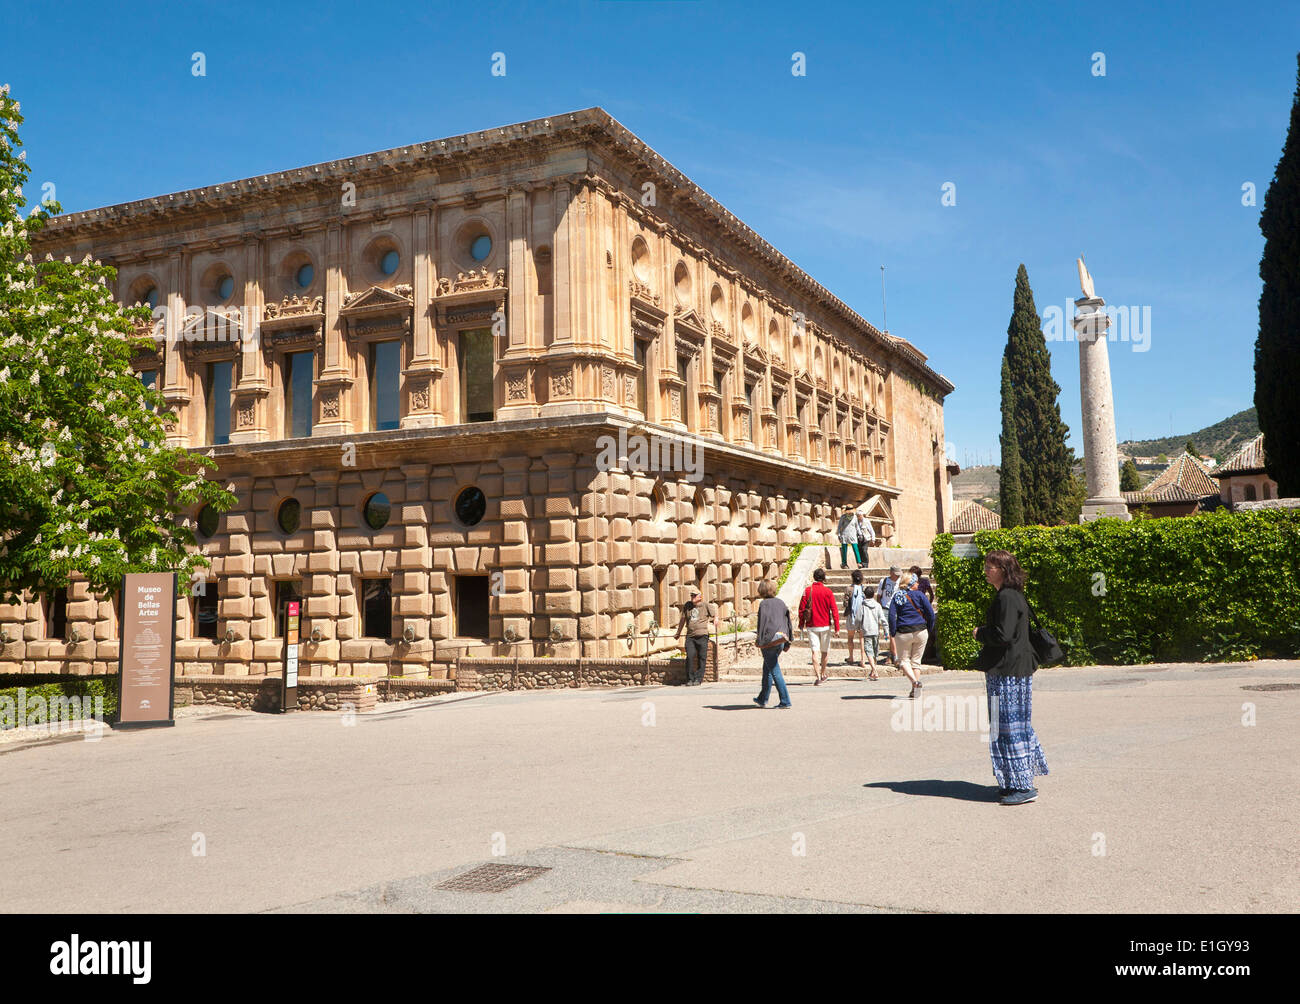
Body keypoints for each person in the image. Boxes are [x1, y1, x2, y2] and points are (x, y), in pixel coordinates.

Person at [972, 549, 1048, 805]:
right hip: (1013, 669)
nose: (986, 570)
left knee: (1009, 727)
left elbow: (1002, 635)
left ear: (1003, 570)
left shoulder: (1006, 597)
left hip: (1008, 672)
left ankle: (1023, 786)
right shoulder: (1013, 595)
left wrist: (979, 633)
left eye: (991, 566)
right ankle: (1013, 781)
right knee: (1009, 726)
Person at [888, 571, 934, 699]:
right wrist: (928, 629)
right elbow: (930, 613)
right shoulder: (920, 595)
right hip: (921, 631)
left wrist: (893, 631)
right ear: (911, 583)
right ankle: (915, 691)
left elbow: (892, 616)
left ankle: (915, 683)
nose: (918, 584)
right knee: (916, 662)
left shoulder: (897, 596)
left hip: (903, 631)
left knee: (904, 661)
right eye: (916, 582)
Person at [753, 579, 793, 708]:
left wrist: (759, 641)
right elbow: (788, 622)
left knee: (774, 670)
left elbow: (762, 624)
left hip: (769, 640)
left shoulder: (764, 604)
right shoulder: (781, 602)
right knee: (767, 669)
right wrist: (789, 641)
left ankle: (785, 700)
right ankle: (762, 698)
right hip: (780, 639)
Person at [798, 566, 840, 685]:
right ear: (824, 578)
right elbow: (834, 610)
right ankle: (823, 673)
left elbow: (801, 609)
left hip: (811, 625)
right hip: (825, 625)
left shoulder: (807, 591)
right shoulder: (828, 592)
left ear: (814, 577)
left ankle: (817, 677)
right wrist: (837, 627)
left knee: (814, 652)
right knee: (825, 651)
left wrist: (801, 624)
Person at [673, 588, 718, 686]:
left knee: (702, 657)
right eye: (691, 595)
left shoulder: (705, 605)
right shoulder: (687, 606)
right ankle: (690, 679)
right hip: (690, 636)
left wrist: (716, 619)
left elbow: (715, 614)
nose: (692, 597)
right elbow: (683, 620)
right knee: (690, 656)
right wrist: (678, 632)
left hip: (702, 636)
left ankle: (698, 679)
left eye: (694, 595)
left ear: (700, 597)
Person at [860, 585, 888, 681]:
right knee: (875, 651)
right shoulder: (877, 605)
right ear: (873, 595)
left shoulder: (862, 605)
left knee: (868, 650)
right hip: (875, 630)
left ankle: (874, 670)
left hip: (866, 630)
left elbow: (859, 618)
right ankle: (873, 671)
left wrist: (858, 627)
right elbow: (882, 619)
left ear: (865, 595)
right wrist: (886, 630)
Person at [876, 565, 901, 663]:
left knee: (895, 632)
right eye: (896, 574)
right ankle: (895, 655)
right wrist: (880, 607)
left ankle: (891, 655)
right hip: (886, 608)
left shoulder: (900, 582)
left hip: (896, 609)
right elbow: (879, 595)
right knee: (891, 633)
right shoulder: (884, 581)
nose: (898, 576)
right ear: (891, 573)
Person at [843, 569, 867, 666]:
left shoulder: (849, 589)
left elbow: (845, 603)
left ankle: (851, 657)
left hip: (851, 615)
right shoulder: (864, 589)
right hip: (862, 615)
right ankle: (863, 659)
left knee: (850, 637)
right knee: (862, 638)